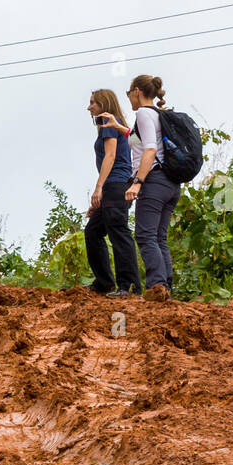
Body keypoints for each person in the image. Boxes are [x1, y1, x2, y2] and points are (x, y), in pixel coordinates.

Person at [103, 75, 179, 301]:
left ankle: (156, 285)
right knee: (159, 237)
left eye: (129, 93)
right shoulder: (157, 114)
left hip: (153, 181)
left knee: (146, 236)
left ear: (137, 91)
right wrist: (120, 128)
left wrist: (137, 182)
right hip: (170, 184)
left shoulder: (144, 113)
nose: (128, 98)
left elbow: (150, 149)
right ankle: (165, 287)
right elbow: (139, 141)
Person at [83, 89, 139, 298]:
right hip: (113, 187)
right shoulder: (110, 124)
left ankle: (129, 286)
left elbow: (111, 155)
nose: (89, 107)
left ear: (103, 104)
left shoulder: (109, 123)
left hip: (115, 185)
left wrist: (99, 188)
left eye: (93, 103)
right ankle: (104, 282)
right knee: (93, 232)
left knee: (118, 232)